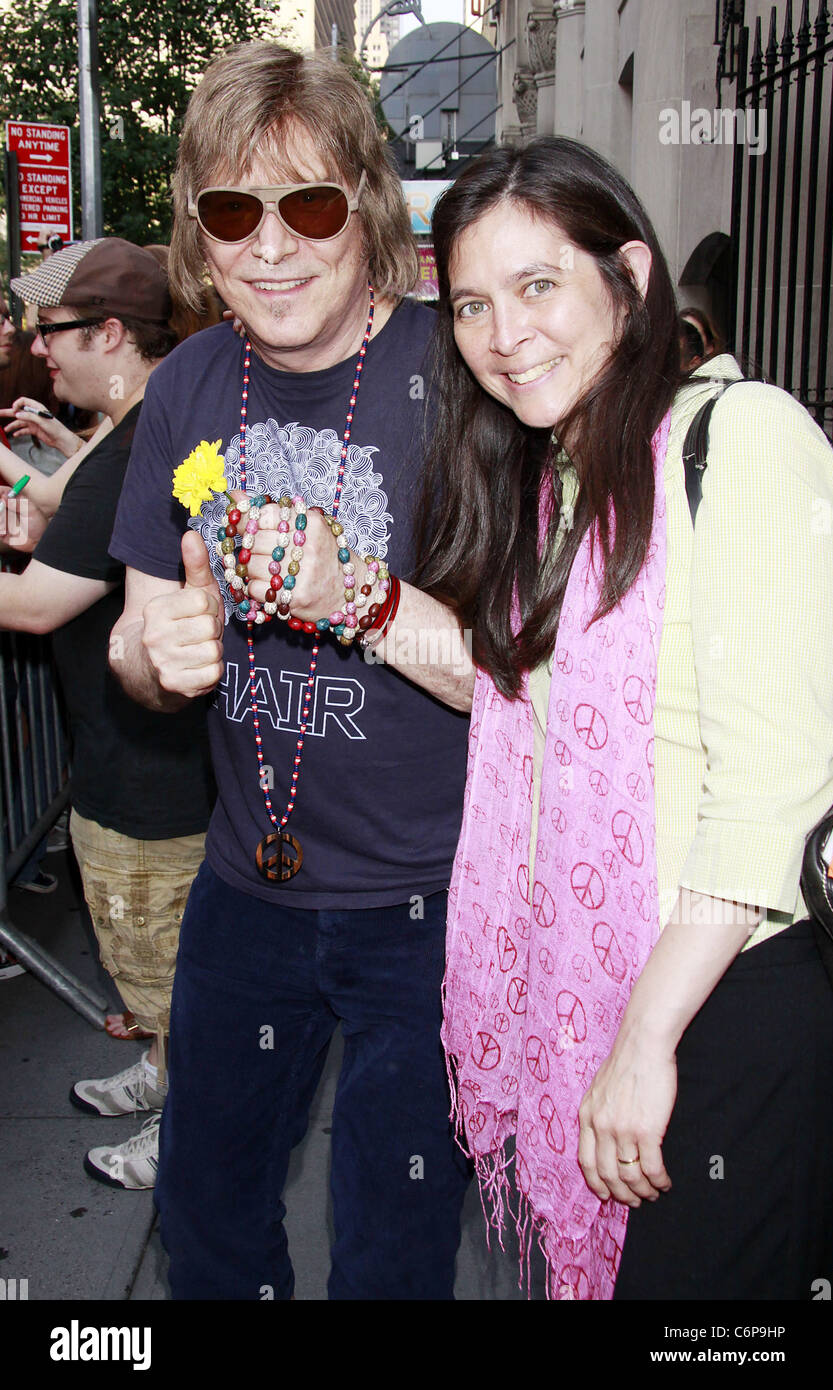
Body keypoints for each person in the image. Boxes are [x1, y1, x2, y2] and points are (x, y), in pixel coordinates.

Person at [397, 137, 833, 1300]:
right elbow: (512, 700)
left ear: (628, 277)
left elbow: (775, 781)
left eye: (539, 285)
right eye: (475, 304)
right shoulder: (551, 483)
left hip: (726, 992)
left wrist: (643, 1043)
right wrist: (356, 594)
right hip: (593, 984)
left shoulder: (742, 438)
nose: (504, 335)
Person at [108, 41, 471, 1301]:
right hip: (245, 891)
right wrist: (157, 657)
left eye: (308, 204)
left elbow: (526, 686)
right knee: (206, 1222)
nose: (271, 245)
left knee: (392, 1252)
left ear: (365, 208)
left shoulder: (466, 380)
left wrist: (361, 597)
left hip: (430, 907)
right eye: (231, 210)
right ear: (199, 239)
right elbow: (135, 633)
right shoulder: (191, 384)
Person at [2, 237, 215, 1187]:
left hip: (150, 774)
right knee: (149, 961)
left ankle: (188, 1131)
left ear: (114, 334)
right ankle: (162, 1074)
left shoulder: (139, 442)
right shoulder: (131, 427)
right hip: (134, 758)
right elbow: (53, 510)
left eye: (52, 332)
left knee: (169, 969)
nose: (40, 349)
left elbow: (39, 603)